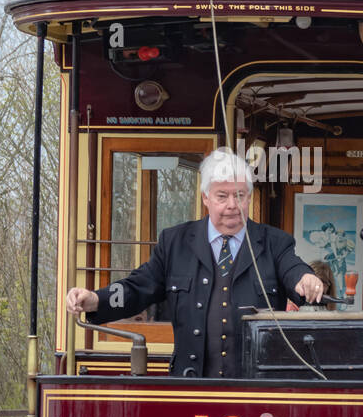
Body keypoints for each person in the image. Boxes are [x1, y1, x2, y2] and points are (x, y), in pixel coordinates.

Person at [66, 148, 324, 378]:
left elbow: (293, 268)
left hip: (256, 393)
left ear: (249, 197)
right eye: (222, 196)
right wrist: (96, 299)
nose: (232, 205)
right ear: (205, 197)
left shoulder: (274, 242)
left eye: (240, 195)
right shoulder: (174, 243)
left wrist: (305, 278)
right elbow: (138, 287)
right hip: (190, 388)